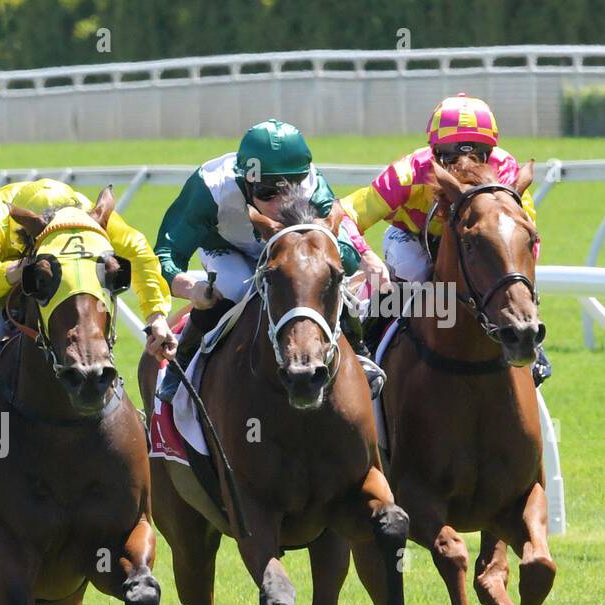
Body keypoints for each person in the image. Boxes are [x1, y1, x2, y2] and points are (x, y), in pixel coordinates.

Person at [0, 177, 172, 415]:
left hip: (40, 287)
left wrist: (157, 315)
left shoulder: (83, 218)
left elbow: (138, 253)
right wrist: (20, 269)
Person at [151, 119, 383, 396]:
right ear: (245, 182)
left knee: (318, 276)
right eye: (267, 193)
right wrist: (192, 289)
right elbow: (166, 253)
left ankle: (358, 351)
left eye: (290, 190)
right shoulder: (211, 186)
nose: (280, 205)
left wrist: (327, 246)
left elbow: (345, 256)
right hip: (226, 248)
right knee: (236, 285)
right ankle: (185, 357)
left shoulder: (314, 186)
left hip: (285, 248)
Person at [337, 93, 550, 384]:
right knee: (416, 272)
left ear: (492, 152)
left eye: (478, 155)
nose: (464, 166)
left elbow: (525, 237)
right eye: (450, 156)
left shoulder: (506, 170)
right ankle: (368, 345)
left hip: (475, 242)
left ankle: (531, 341)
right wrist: (369, 259)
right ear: (433, 152)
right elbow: (343, 213)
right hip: (415, 239)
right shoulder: (407, 173)